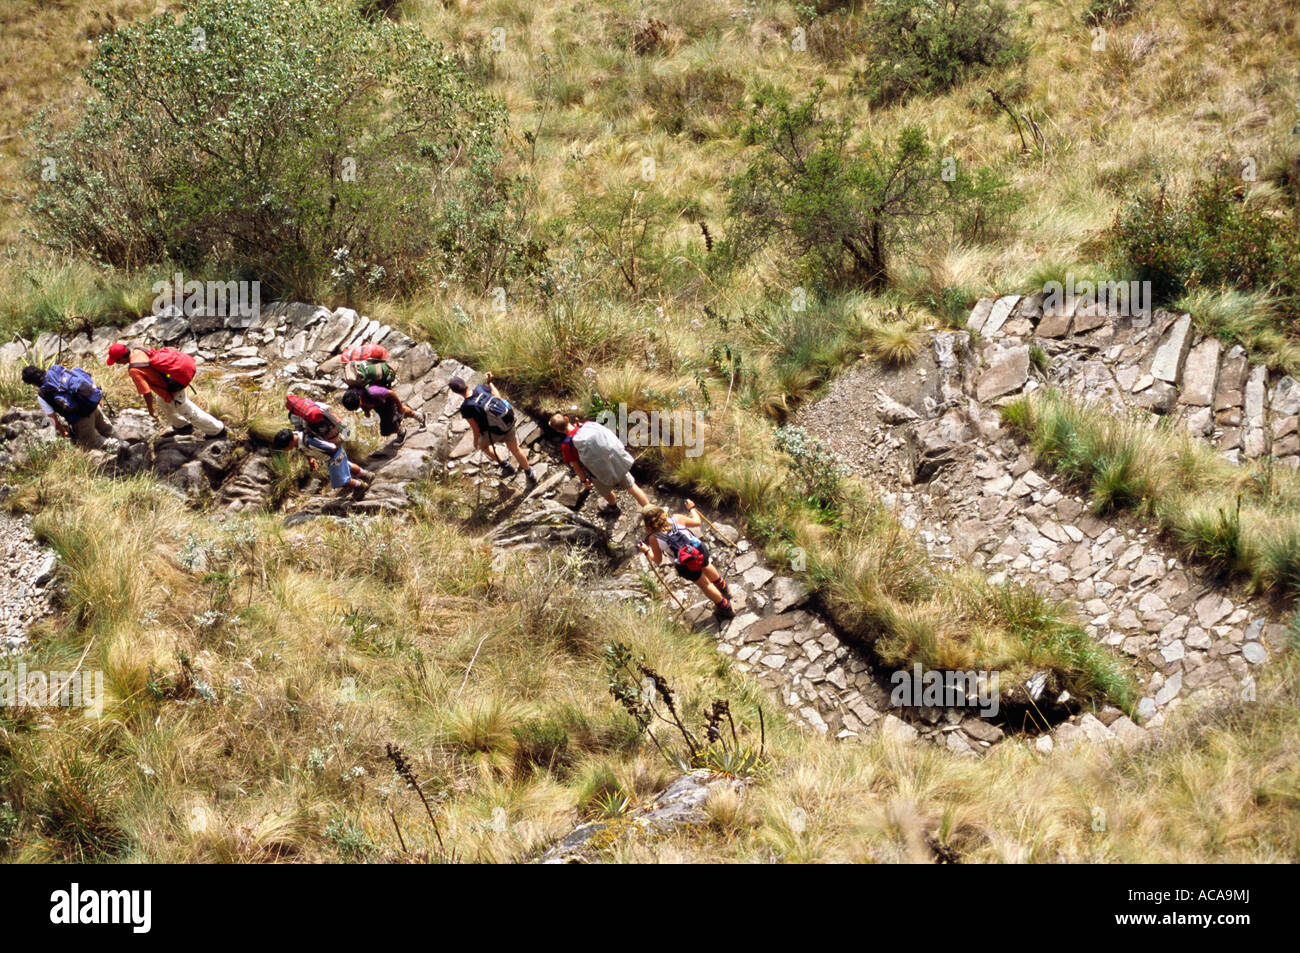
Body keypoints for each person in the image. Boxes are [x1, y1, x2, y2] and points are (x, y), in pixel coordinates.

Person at [105, 341, 225, 438]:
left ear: (121, 358)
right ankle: (181, 426)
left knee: (188, 411)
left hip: (171, 388)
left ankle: (217, 430)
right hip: (171, 380)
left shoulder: (134, 370)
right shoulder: (138, 349)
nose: (117, 363)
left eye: (116, 361)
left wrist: (150, 410)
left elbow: (146, 392)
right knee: (162, 401)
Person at [637, 501, 734, 618]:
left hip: (684, 564)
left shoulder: (654, 538)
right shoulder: (676, 519)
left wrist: (647, 551)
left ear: (647, 523)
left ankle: (725, 608)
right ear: (661, 512)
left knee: (705, 584)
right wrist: (692, 508)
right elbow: (697, 521)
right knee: (707, 565)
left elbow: (657, 560)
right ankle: (724, 589)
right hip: (698, 549)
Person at [549, 412, 650, 513]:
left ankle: (612, 506)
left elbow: (576, 466)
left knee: (606, 492)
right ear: (567, 419)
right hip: (614, 462)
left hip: (597, 472)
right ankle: (651, 510)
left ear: (558, 430)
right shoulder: (587, 425)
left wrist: (584, 481)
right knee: (632, 487)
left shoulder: (567, 446)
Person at [449, 374, 535, 482]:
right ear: (465, 384)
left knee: (484, 447)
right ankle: (529, 472)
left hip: (494, 433)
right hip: (507, 423)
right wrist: (489, 382)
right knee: (516, 449)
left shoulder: (465, 407)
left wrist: (476, 442)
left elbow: (476, 429)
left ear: (456, 392)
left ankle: (505, 465)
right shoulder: (480, 388)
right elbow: (498, 397)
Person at [21, 363, 115, 449]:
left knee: (89, 444)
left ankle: (117, 447)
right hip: (91, 404)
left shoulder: (43, 394)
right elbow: (79, 378)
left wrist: (63, 432)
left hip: (81, 417)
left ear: (32, 383)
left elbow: (54, 420)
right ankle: (123, 445)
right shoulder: (56, 369)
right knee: (108, 430)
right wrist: (94, 397)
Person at [271, 426, 374, 497]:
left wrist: (333, 459)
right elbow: (304, 450)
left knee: (341, 481)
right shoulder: (297, 435)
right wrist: (311, 460)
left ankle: (360, 486)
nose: (284, 450)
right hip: (337, 453)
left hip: (333, 456)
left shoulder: (309, 441)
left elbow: (331, 447)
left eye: (284, 447)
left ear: (290, 443)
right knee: (348, 466)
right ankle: (367, 475)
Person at [340, 383, 421, 440]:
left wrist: (400, 406)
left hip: (386, 401)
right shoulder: (353, 395)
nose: (358, 408)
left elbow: (391, 393)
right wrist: (366, 411)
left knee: (391, 423)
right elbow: (364, 404)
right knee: (387, 428)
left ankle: (415, 421)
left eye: (358, 406)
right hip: (378, 405)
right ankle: (403, 430)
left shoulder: (373, 391)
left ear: (359, 398)